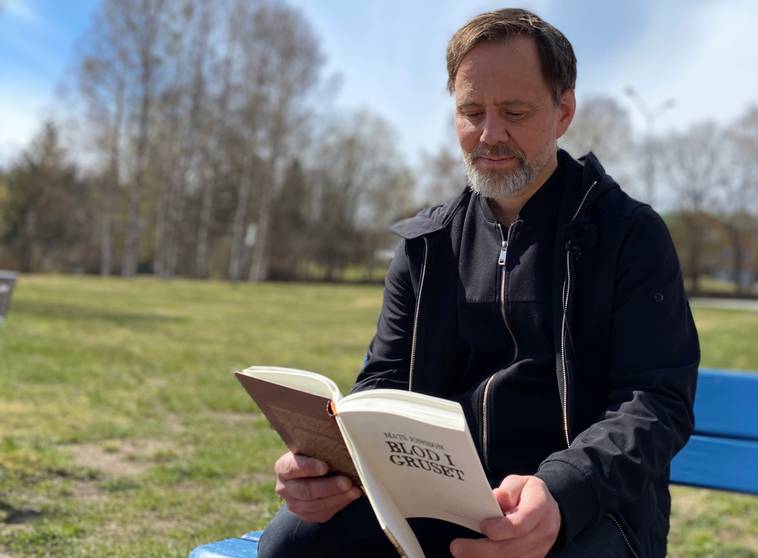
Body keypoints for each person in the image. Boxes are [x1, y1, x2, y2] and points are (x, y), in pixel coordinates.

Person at [258, 8, 699, 558]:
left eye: (514, 111)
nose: (489, 135)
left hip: (586, 509)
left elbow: (655, 403)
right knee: (289, 545)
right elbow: (384, 382)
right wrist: (331, 463)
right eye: (471, 112)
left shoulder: (629, 236)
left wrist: (559, 493)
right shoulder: (428, 243)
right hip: (435, 501)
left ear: (564, 111)